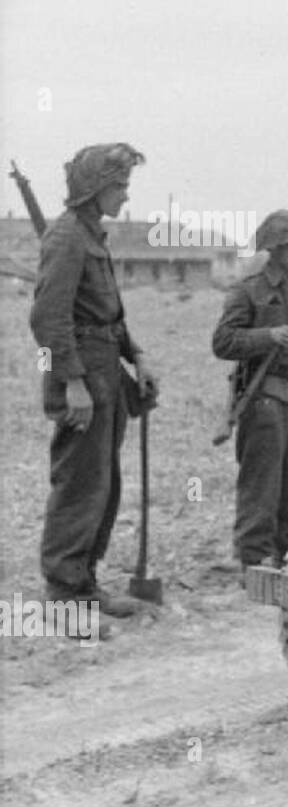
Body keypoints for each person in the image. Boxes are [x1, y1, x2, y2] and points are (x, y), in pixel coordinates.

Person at [30, 143, 160, 629]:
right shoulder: (66, 237)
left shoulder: (92, 236)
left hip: (106, 369)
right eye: (120, 186)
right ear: (93, 189)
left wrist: (137, 354)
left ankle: (84, 586)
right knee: (80, 484)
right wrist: (73, 384)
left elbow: (106, 312)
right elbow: (48, 318)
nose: (126, 196)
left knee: (103, 483)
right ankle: (63, 595)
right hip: (82, 375)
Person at [212, 210, 288, 574]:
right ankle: (252, 561)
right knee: (261, 485)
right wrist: (268, 336)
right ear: (273, 248)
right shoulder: (249, 290)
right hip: (265, 400)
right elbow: (223, 342)